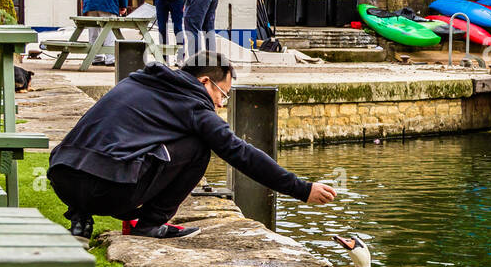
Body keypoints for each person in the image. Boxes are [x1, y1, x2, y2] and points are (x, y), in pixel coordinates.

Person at [48, 53, 337, 239]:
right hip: (112, 190)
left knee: (109, 145)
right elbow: (239, 153)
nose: (222, 104)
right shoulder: (194, 104)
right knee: (199, 146)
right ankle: (150, 224)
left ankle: (80, 218)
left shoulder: (138, 82)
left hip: (63, 178)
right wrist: (301, 188)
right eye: (223, 94)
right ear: (205, 81)